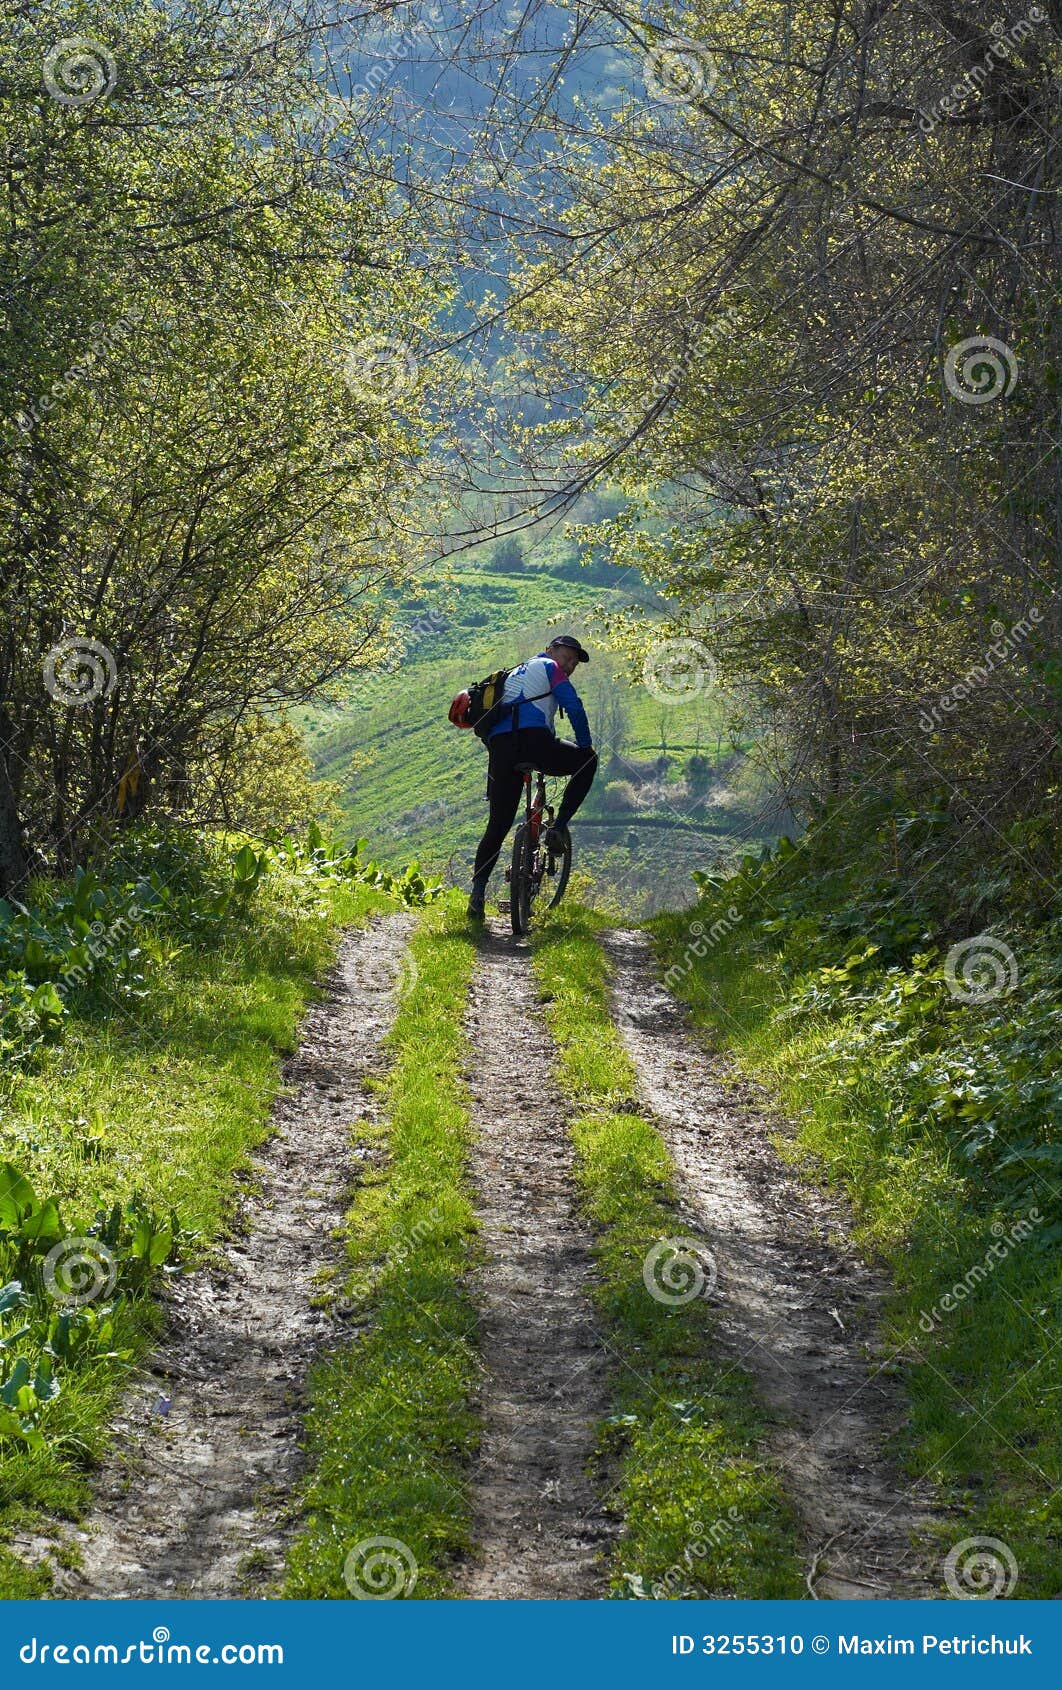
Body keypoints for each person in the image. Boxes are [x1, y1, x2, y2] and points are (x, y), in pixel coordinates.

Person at [467, 634, 597, 920]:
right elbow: (574, 707)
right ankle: (558, 828)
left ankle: (477, 895)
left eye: (574, 662)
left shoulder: (512, 671)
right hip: (535, 742)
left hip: (500, 749)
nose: (570, 664)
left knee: (497, 825)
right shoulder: (550, 668)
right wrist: (585, 745)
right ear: (550, 650)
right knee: (588, 761)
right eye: (566, 657)